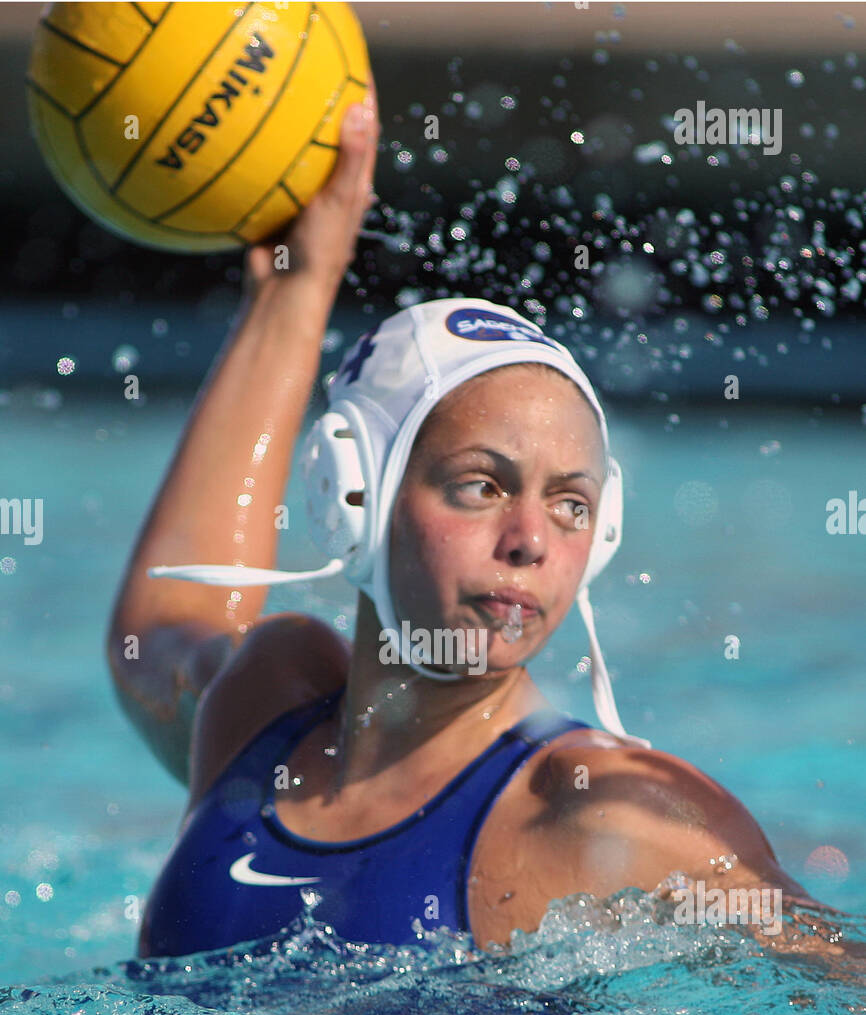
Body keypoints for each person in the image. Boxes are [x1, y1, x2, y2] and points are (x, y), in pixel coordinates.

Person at [107, 81, 856, 967]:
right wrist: (293, 295)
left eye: (571, 504)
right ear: (352, 496)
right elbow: (159, 625)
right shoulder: (261, 711)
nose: (532, 541)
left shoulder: (597, 811)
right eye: (481, 487)